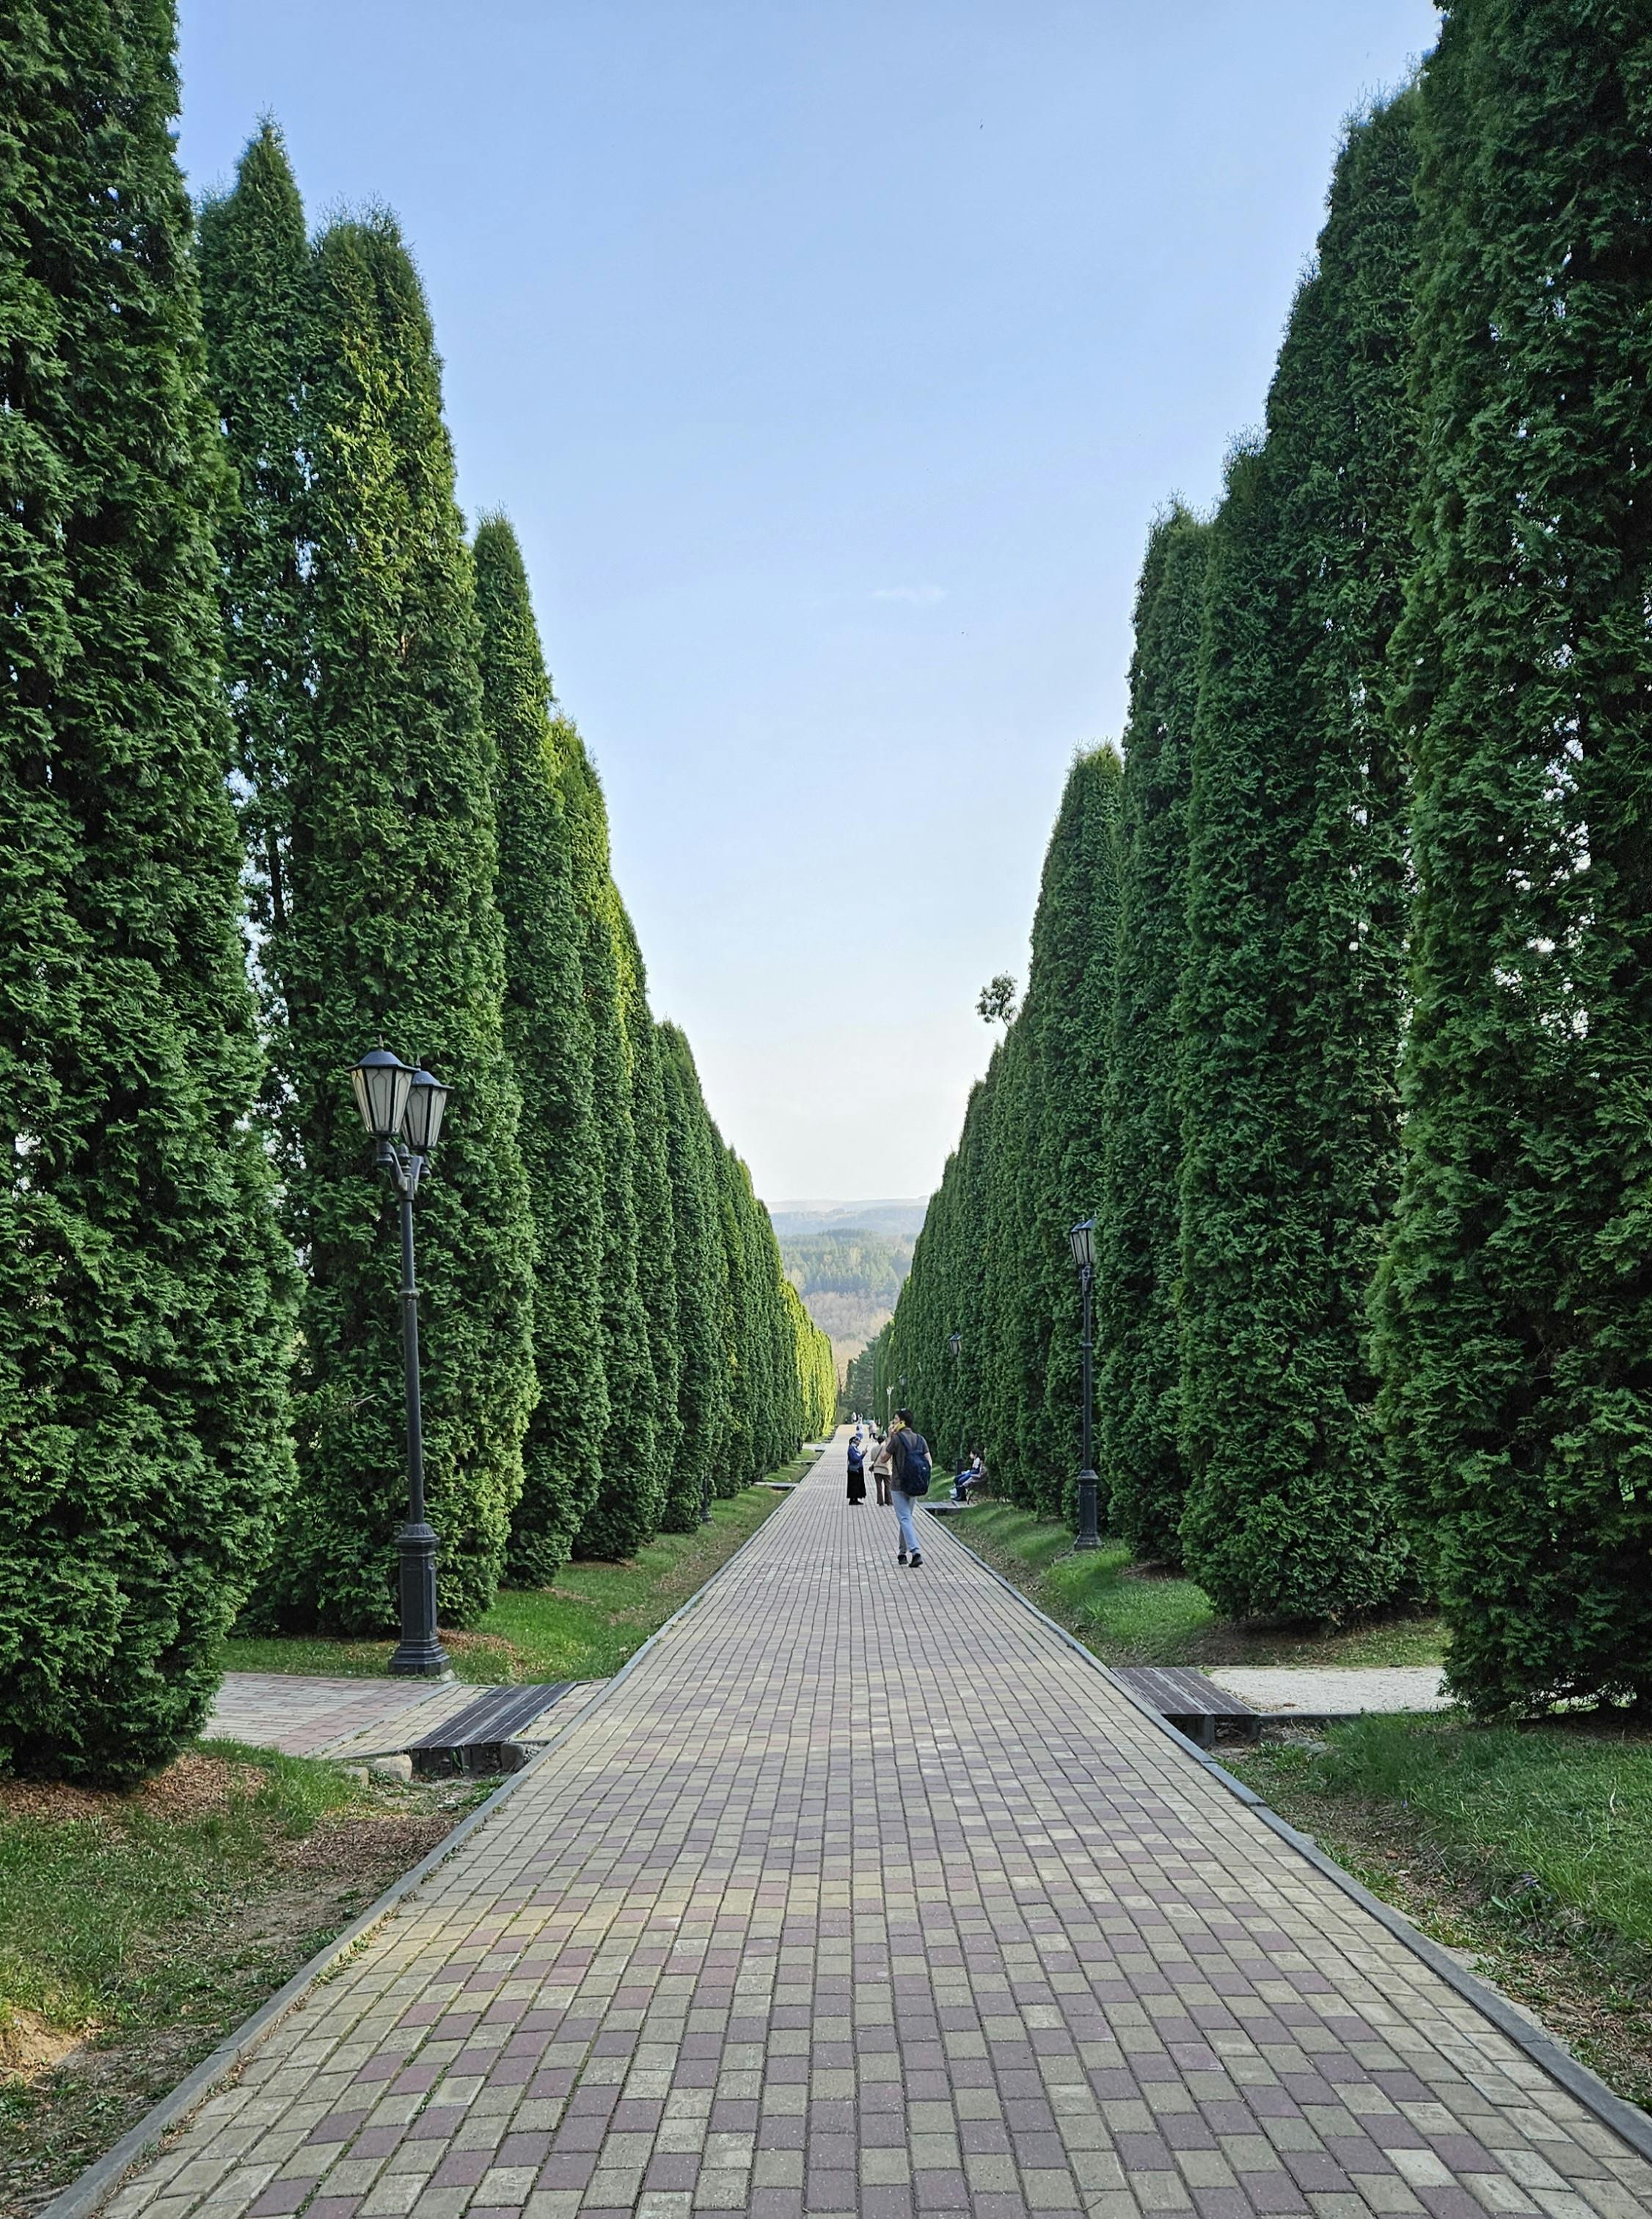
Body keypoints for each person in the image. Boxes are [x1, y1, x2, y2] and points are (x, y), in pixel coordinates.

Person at [885, 1407, 931, 1569]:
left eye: (895, 1420)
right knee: (906, 1520)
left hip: (898, 1485)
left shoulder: (897, 1439)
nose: (893, 1422)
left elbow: (884, 1458)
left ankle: (916, 1552)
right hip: (915, 1485)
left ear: (902, 1422)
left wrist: (890, 1438)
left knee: (904, 1519)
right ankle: (902, 1553)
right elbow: (929, 1462)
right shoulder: (920, 1439)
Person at [871, 1431, 893, 1507]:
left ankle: (880, 1502)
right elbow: (891, 1459)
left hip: (877, 1470)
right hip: (886, 1469)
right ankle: (889, 1501)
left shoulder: (874, 1449)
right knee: (888, 1486)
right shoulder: (887, 1449)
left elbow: (873, 1459)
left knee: (879, 1486)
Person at [846, 1430, 866, 1505]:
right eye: (858, 1441)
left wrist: (863, 1455)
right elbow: (855, 1459)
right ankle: (853, 1499)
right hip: (854, 1470)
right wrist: (862, 1455)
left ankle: (856, 1498)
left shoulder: (855, 1449)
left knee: (858, 1484)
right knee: (854, 1485)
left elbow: (859, 1458)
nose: (859, 1443)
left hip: (858, 1469)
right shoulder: (851, 1449)